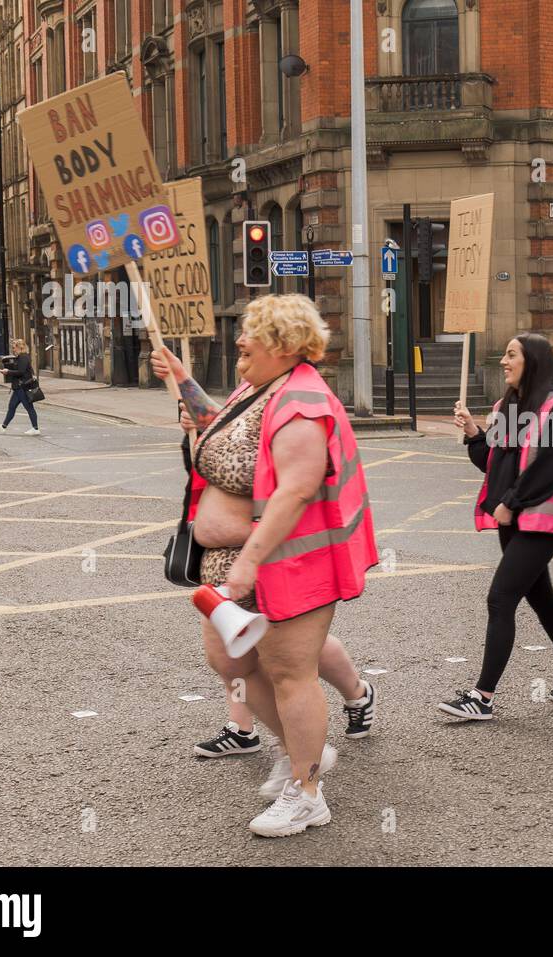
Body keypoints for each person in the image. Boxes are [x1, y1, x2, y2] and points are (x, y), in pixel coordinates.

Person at [151, 294, 379, 837]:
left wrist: (249, 563)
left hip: (285, 564)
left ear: (283, 344)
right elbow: (227, 435)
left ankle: (307, 793)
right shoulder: (259, 389)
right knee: (232, 665)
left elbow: (296, 488)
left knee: (288, 673)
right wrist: (184, 381)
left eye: (251, 333)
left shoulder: (303, 401)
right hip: (231, 566)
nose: (239, 341)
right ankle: (304, 752)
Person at [442, 333, 553, 720]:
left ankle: (482, 697)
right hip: (514, 518)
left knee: (501, 598)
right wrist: (474, 433)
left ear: (533, 361)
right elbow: (493, 461)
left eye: (511, 355)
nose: (504, 362)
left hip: (541, 519)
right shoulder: (505, 406)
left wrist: (511, 501)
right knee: (543, 601)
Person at [0, 339, 40, 435]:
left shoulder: (23, 357)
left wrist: (7, 372)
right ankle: (3, 427)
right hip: (18, 387)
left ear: (20, 347)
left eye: (14, 348)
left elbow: (21, 372)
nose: (13, 350)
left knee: (29, 407)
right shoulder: (21, 357)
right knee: (12, 406)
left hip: (22, 387)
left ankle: (35, 428)